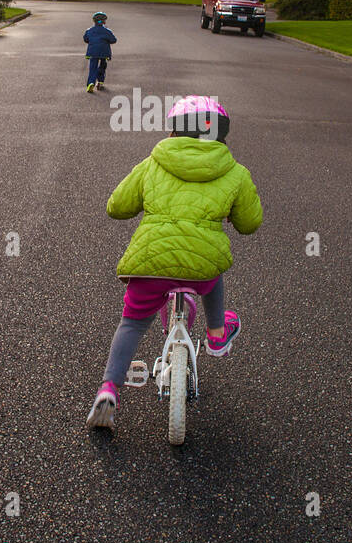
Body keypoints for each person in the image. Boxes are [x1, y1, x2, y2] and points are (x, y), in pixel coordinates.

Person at [87, 96, 263, 430]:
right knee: (212, 274)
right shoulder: (236, 173)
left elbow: (117, 206)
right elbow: (250, 224)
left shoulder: (153, 163)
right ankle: (216, 335)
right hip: (202, 269)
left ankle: (109, 388)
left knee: (133, 323)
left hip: (150, 266)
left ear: (174, 132)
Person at [83, 12, 115, 92]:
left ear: (94, 21)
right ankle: (100, 81)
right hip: (104, 52)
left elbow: (86, 39)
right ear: (104, 21)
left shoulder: (89, 31)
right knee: (102, 65)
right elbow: (113, 40)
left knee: (93, 67)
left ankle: (91, 83)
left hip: (93, 52)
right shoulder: (107, 31)